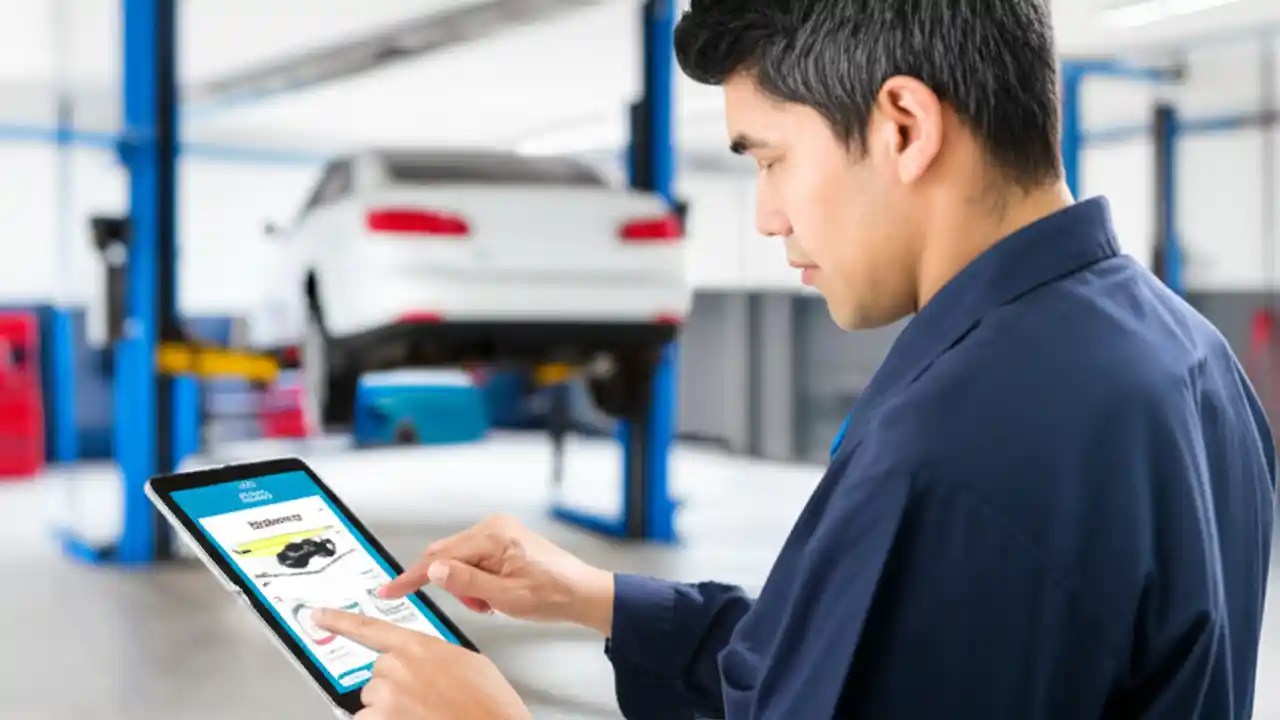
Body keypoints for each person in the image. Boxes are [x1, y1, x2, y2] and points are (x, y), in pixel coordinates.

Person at [314, 0, 1278, 717]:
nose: (767, 213)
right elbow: (861, 666)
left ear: (904, 126)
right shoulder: (1181, 350)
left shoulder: (962, 446)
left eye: (769, 158)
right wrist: (599, 599)